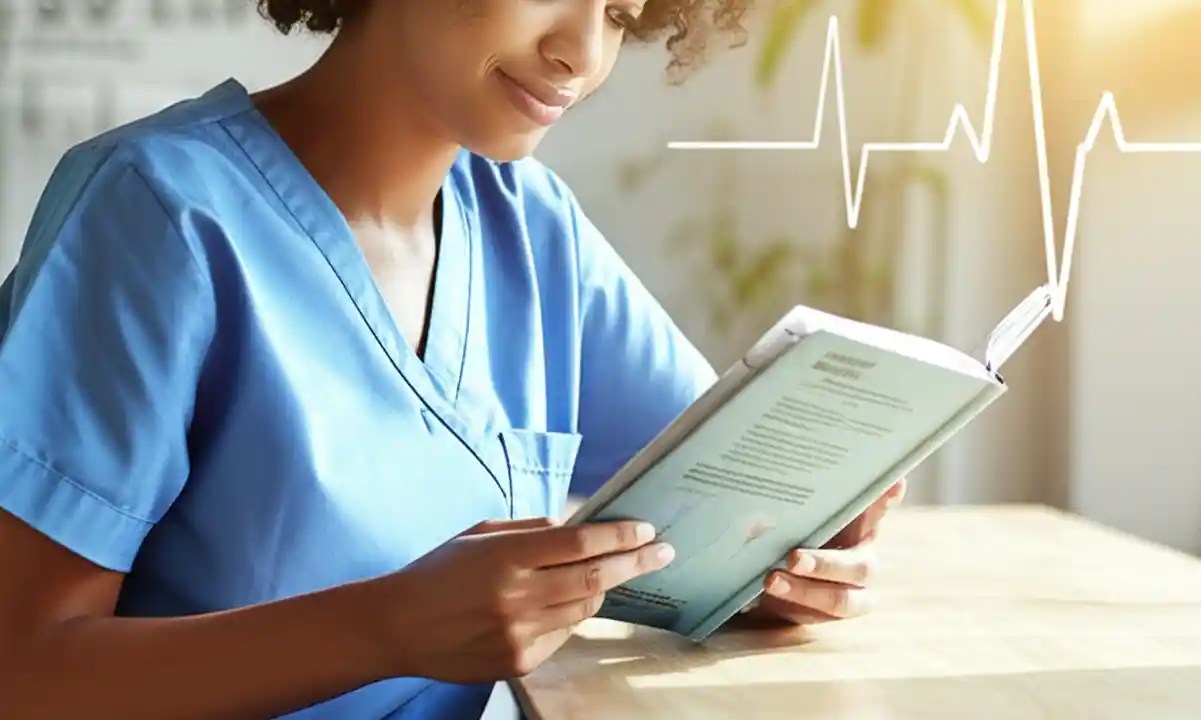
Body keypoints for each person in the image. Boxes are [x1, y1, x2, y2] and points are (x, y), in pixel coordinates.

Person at [0, 0, 906, 717]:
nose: (583, 56)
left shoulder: (532, 227)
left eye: (622, 15)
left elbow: (729, 486)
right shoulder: (159, 215)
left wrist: (775, 563)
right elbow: (24, 674)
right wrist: (385, 626)